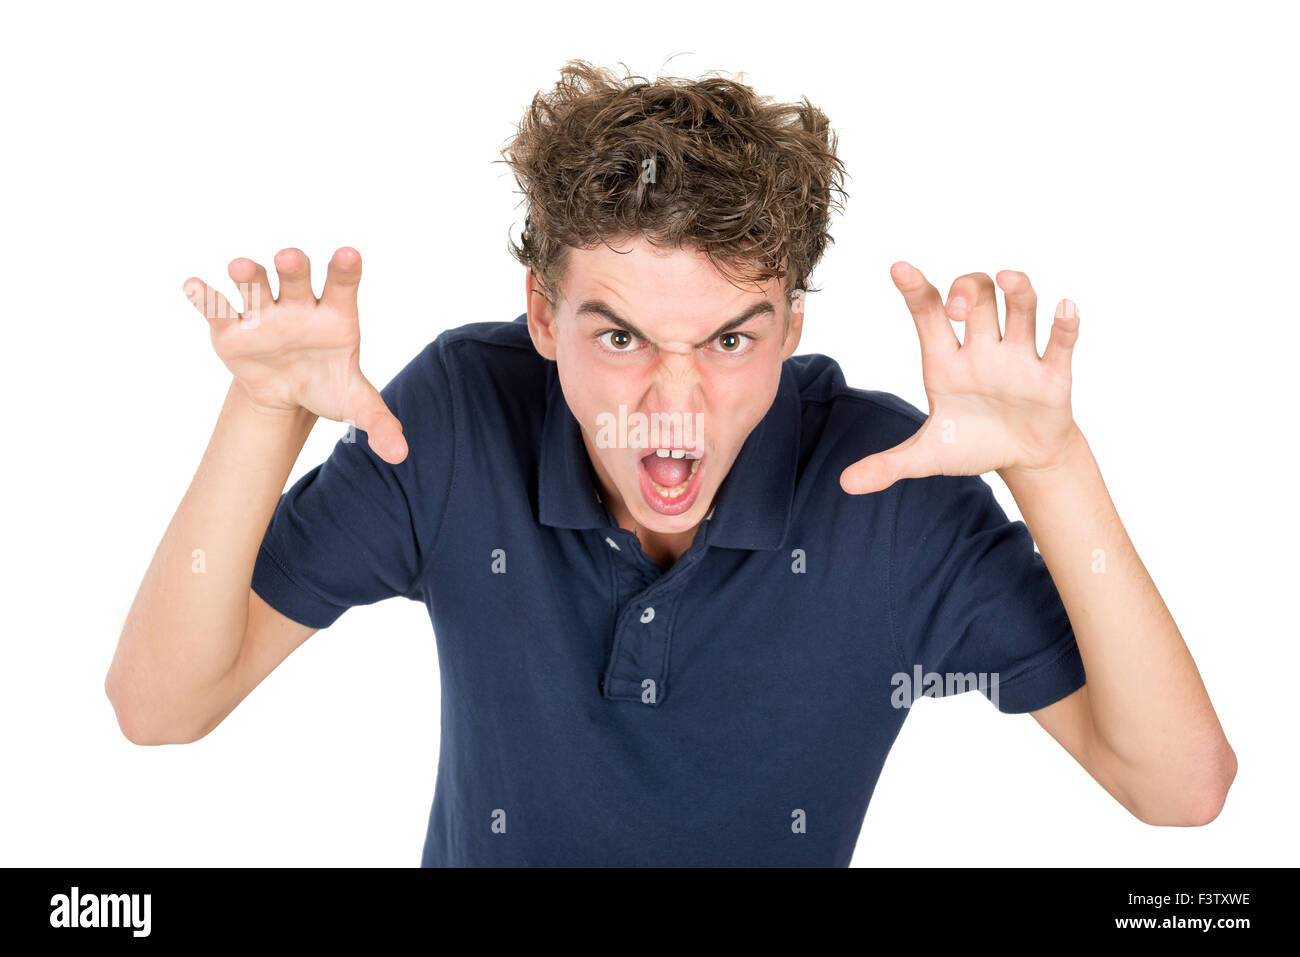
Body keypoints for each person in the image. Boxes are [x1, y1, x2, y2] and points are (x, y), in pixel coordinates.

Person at [107, 60, 1236, 866]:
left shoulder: (887, 495)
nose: (674, 405)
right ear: (543, 317)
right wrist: (262, 410)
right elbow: (160, 707)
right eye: (620, 337)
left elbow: (1177, 789)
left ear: (791, 328)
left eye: (729, 341)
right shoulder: (458, 416)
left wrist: (1053, 465)